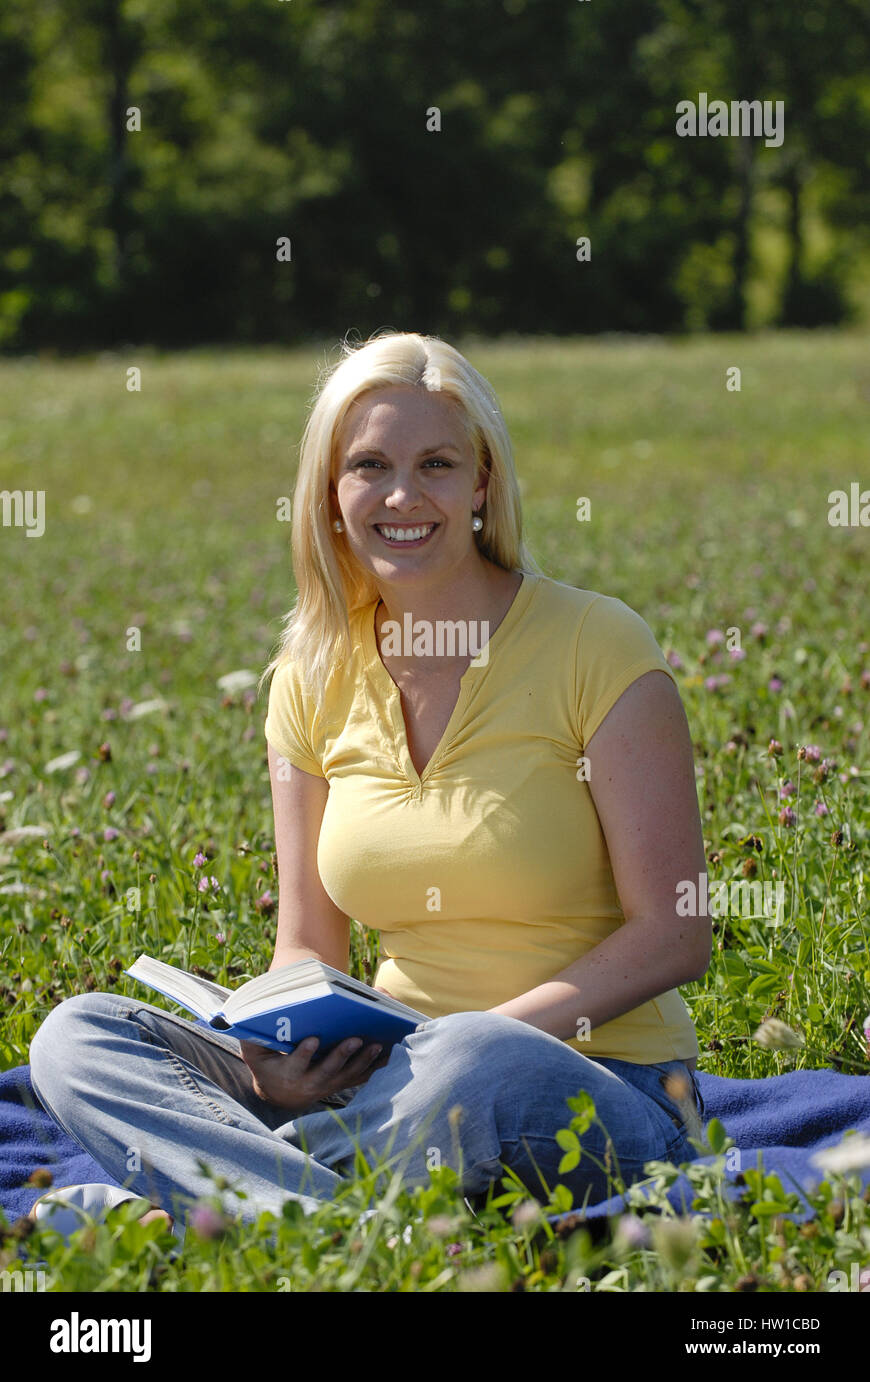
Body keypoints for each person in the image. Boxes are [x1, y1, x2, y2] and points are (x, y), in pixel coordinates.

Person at [28, 331, 710, 1237]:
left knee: (479, 1056)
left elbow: (673, 933)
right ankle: (312, 1217)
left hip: (593, 1089)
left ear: (483, 484)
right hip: (378, 1076)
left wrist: (461, 1041)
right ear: (331, 495)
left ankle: (213, 1211)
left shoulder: (598, 644)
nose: (402, 495)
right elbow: (308, 942)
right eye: (369, 466)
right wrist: (276, 1056)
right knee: (78, 1036)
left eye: (435, 463)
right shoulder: (310, 675)